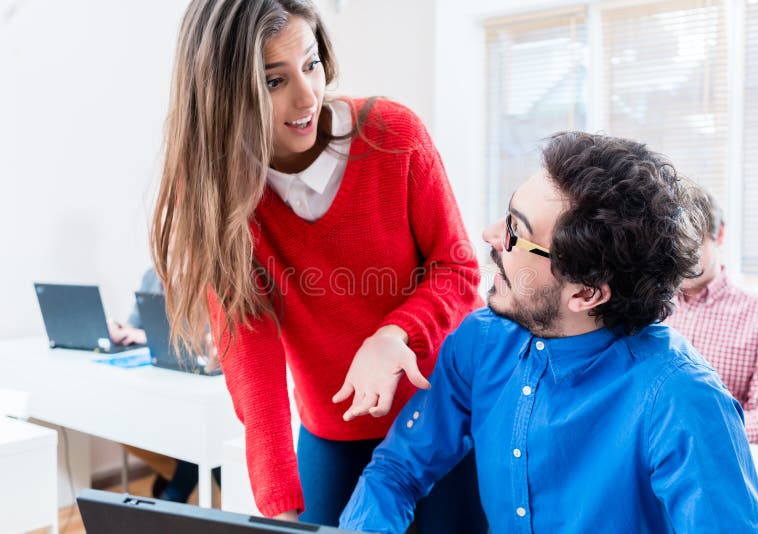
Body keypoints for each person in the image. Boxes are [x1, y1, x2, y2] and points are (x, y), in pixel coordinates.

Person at [150, 0, 485, 529]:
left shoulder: (394, 135)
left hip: (441, 415)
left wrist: (393, 335)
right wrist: (278, 501)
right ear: (224, 96)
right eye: (273, 80)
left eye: (311, 64)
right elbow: (250, 355)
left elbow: (459, 271)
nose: (307, 96)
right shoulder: (225, 197)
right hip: (332, 433)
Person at [339, 132, 758, 533]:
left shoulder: (682, 398)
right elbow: (396, 471)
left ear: (585, 293)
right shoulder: (481, 341)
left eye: (515, 232)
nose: (490, 236)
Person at [665, 185, 758, 446]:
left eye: (693, 242)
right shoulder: (646, 308)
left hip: (723, 463)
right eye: (674, 243)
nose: (682, 254)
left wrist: (707, 432)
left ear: (720, 234)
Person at [110, 267, 222, 503]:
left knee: (203, 431)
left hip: (200, 380)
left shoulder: (206, 273)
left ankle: (174, 494)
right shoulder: (151, 274)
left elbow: (209, 340)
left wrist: (148, 337)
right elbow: (135, 323)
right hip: (163, 375)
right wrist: (121, 330)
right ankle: (175, 491)